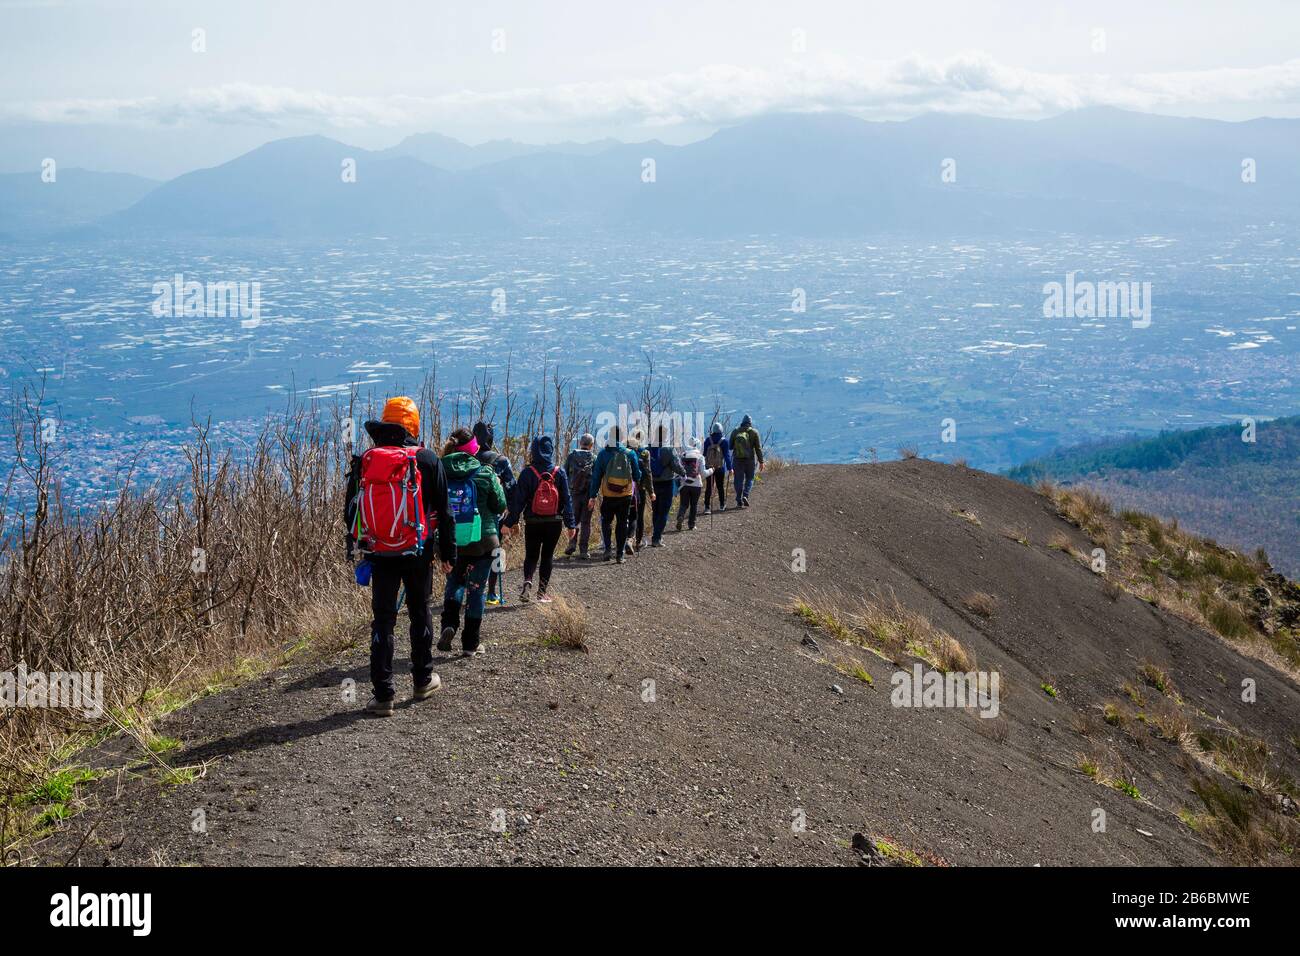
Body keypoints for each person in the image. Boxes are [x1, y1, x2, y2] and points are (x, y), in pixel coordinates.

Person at [345, 397, 456, 717]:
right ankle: (422, 681)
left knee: (383, 620)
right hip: (418, 550)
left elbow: (350, 510)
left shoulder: (367, 459)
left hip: (379, 551)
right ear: (413, 426)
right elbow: (445, 513)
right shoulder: (427, 458)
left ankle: (383, 696)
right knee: (420, 612)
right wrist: (448, 554)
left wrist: (356, 545)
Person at [438, 427, 508, 657]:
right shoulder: (485, 472)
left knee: (455, 582)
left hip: (453, 540)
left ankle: (449, 624)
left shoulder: (441, 473)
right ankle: (470, 645)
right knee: (476, 591)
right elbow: (500, 506)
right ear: (473, 449)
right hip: (484, 540)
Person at [501, 435, 576, 602]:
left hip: (533, 521)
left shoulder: (528, 473)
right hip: (554, 521)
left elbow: (518, 502)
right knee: (547, 556)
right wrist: (571, 524)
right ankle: (542, 593)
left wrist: (509, 522)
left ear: (533, 451)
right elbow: (567, 499)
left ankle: (527, 582)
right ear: (550, 450)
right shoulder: (559, 472)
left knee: (531, 555)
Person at [473, 421, 515, 607]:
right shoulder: (500, 460)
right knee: (497, 552)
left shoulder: (466, 458)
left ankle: (472, 591)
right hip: (496, 515)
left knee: (471, 554)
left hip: (468, 515)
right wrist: (513, 518)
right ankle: (492, 592)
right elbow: (512, 488)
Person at [588, 425, 642, 564]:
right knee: (622, 523)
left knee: (606, 522)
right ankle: (620, 554)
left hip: (608, 495)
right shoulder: (630, 454)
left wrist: (592, 495)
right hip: (625, 495)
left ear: (609, 437)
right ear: (622, 437)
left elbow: (596, 476)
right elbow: (637, 475)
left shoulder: (603, 454)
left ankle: (607, 550)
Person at [647, 423, 686, 546]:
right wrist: (684, 472)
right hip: (667, 483)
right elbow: (677, 466)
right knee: (664, 512)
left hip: (653, 484)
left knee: (656, 510)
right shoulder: (669, 449)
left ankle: (655, 534)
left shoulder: (648, 449)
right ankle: (657, 538)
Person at [563, 433, 596, 559]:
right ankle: (583, 550)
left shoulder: (572, 456)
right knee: (586, 522)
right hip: (588, 495)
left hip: (574, 493)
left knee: (574, 520)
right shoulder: (593, 458)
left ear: (580, 443)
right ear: (591, 445)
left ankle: (572, 543)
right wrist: (594, 495)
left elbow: (564, 473)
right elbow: (597, 477)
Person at [625, 432, 654, 553]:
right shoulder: (644, 452)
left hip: (624, 489)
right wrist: (651, 491)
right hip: (639, 489)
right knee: (638, 516)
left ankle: (626, 539)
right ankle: (638, 542)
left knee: (626, 516)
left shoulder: (623, 453)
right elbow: (647, 473)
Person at [676, 436, 712, 531]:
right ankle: (691, 525)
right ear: (697, 445)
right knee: (694, 504)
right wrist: (712, 470)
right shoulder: (700, 456)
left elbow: (679, 470)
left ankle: (681, 516)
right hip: (696, 485)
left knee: (683, 504)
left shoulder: (683, 455)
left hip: (684, 484)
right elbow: (703, 473)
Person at [729, 414, 764, 507]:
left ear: (742, 422)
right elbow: (758, 448)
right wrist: (761, 462)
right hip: (750, 460)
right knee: (750, 478)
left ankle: (738, 500)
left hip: (737, 460)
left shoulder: (735, 431)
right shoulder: (754, 432)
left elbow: (730, 446)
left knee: (738, 480)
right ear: (750, 423)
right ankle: (745, 494)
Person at [700, 422, 732, 514]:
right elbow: (727, 456)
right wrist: (730, 468)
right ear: (721, 430)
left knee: (709, 487)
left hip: (709, 467)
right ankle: (722, 505)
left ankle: (707, 507)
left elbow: (704, 455)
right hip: (720, 467)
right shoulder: (724, 441)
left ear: (713, 430)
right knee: (720, 486)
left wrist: (701, 467)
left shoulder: (707, 440)